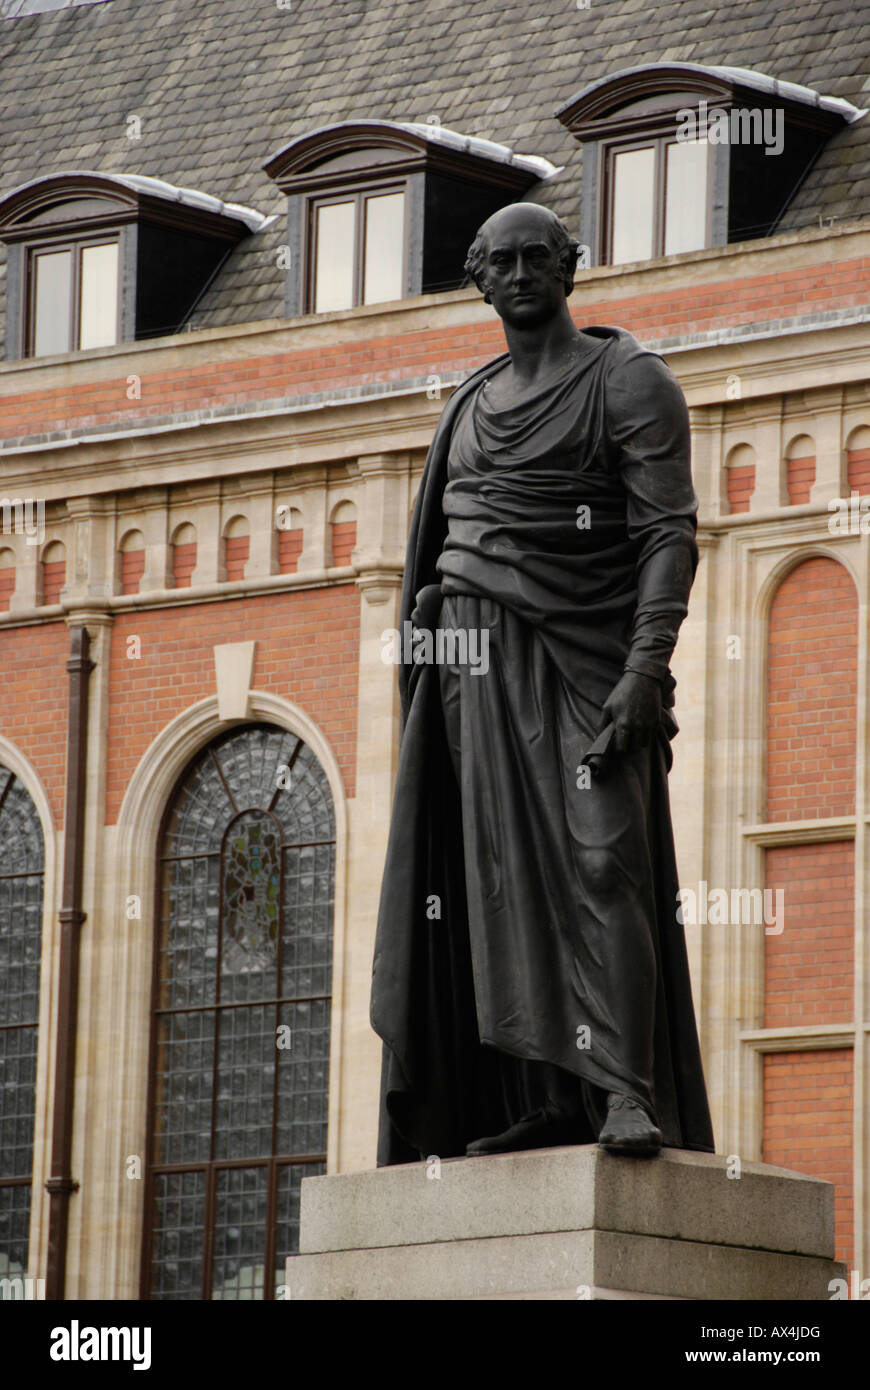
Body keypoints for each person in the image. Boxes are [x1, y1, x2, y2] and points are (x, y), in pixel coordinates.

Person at [370, 202, 714, 1164]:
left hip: (589, 661)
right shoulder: (467, 409)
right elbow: (441, 556)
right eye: (501, 262)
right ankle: (547, 1096)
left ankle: (624, 1091)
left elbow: (665, 535)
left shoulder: (628, 380)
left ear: (570, 268)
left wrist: (648, 666)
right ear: (478, 278)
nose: (521, 274)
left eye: (538, 258)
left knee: (605, 862)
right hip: (473, 669)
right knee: (498, 886)